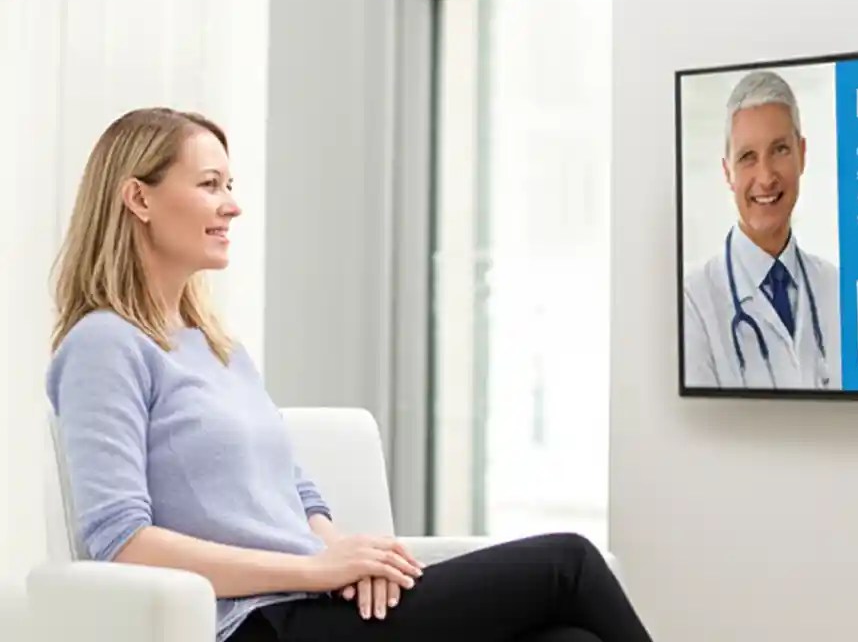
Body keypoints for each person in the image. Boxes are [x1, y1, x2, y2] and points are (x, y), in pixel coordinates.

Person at [46, 108, 654, 642]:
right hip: (254, 626)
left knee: (569, 639)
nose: (233, 203)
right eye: (210, 185)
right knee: (569, 562)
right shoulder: (104, 345)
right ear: (139, 198)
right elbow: (122, 542)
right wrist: (313, 570)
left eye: (230, 184)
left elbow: (297, 489)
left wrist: (344, 552)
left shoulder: (218, 348)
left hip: (315, 604)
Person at [682, 70, 841, 390]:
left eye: (780, 150)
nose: (766, 176)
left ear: (802, 154)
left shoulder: (838, 288)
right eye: (747, 157)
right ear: (728, 172)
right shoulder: (691, 302)